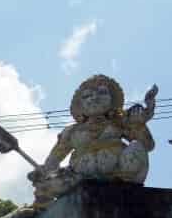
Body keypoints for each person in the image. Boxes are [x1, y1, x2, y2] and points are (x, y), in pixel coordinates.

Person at [29, 74, 159, 204]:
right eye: (87, 96)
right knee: (52, 182)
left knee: (137, 147)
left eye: (102, 93)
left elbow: (147, 146)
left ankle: (122, 185)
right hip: (79, 177)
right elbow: (54, 160)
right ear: (79, 105)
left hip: (119, 173)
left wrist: (138, 124)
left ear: (112, 100)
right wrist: (43, 172)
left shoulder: (119, 122)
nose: (95, 98)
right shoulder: (71, 131)